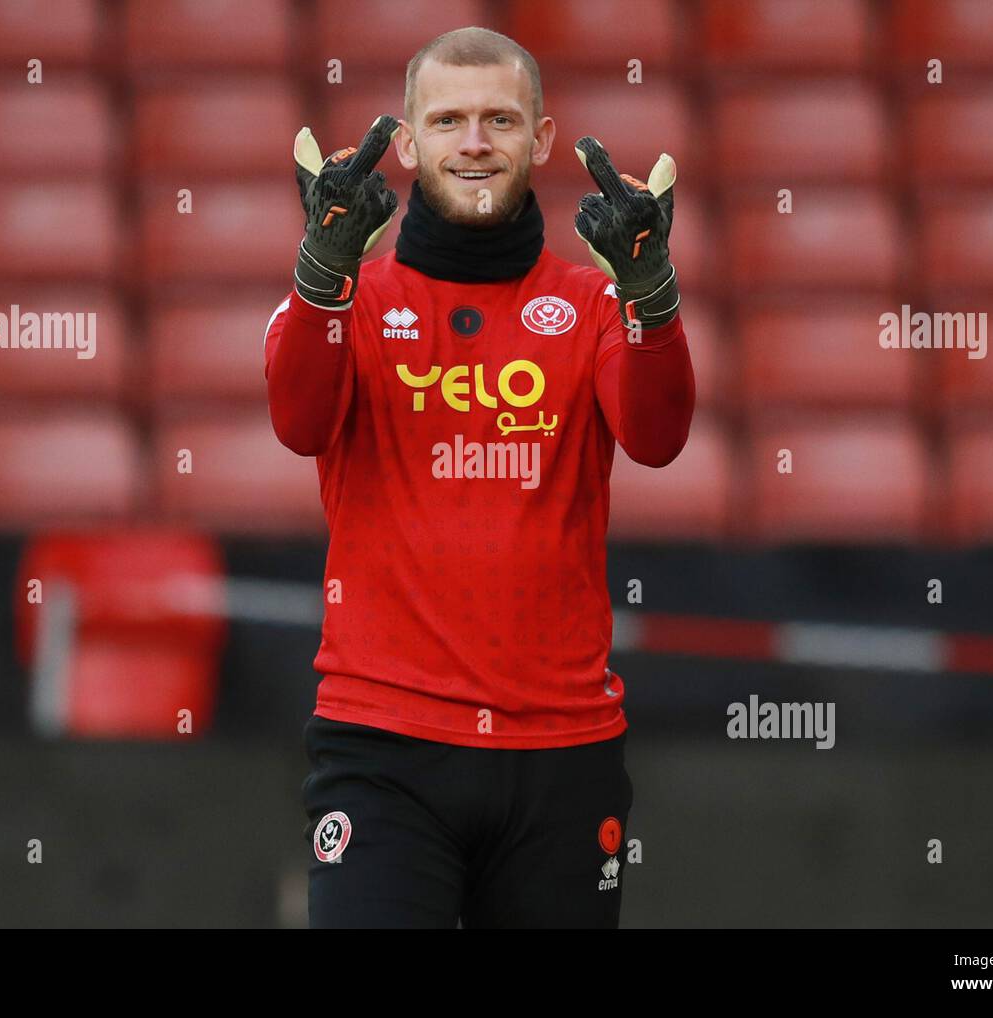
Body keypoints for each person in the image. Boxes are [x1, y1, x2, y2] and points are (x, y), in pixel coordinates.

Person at [264, 25, 694, 928]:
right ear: (410, 142)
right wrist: (321, 277)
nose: (473, 142)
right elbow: (299, 424)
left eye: (500, 119)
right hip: (382, 750)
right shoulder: (347, 298)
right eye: (448, 119)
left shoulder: (594, 304)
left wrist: (651, 296)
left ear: (539, 140)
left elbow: (658, 439)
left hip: (564, 751)